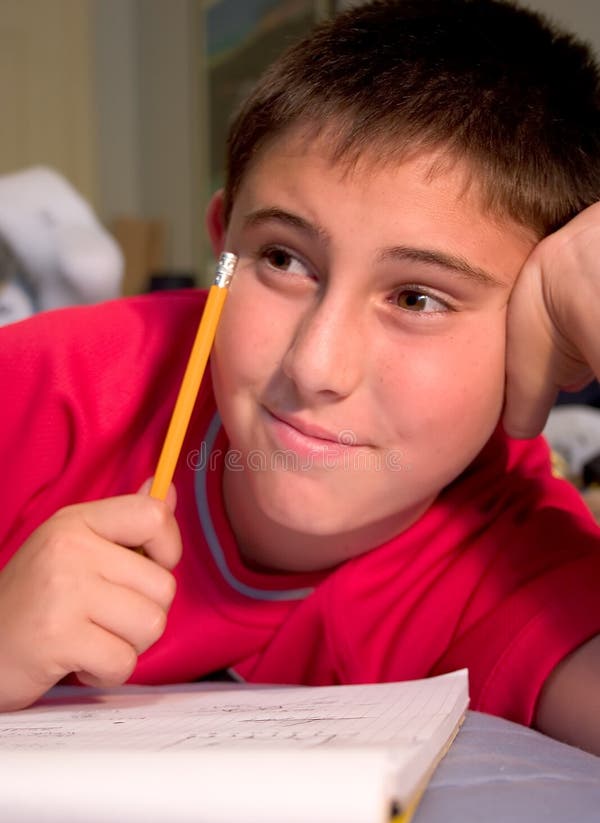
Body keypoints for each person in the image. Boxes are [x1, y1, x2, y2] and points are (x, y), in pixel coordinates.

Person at [1, 0, 599, 754]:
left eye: (417, 299)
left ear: (538, 341)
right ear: (223, 245)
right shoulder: (45, 388)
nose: (316, 365)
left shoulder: (506, 555)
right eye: (284, 260)